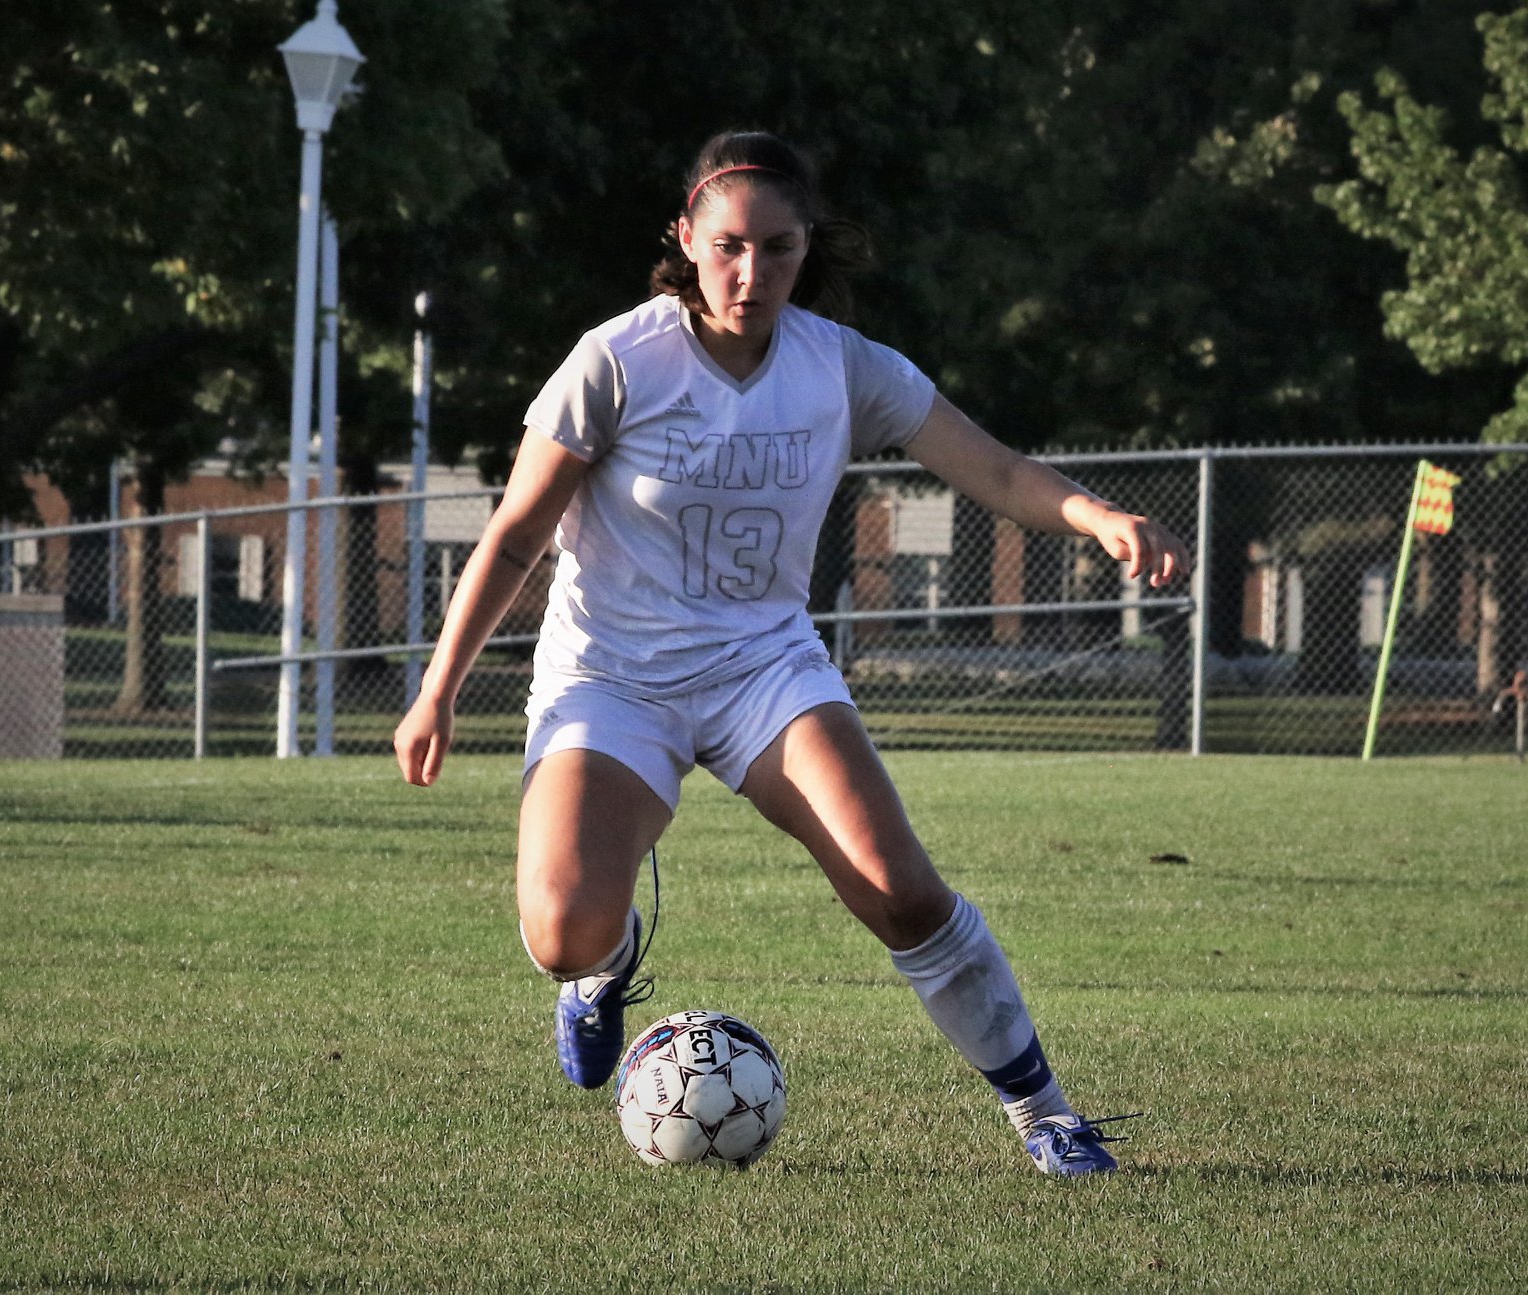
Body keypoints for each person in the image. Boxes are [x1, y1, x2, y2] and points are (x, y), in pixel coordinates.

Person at [394, 129, 1187, 1176]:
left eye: (777, 247)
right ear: (685, 237)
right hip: (610, 677)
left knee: (899, 888)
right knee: (561, 932)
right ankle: (607, 966)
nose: (749, 270)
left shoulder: (840, 365)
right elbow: (513, 533)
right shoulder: (617, 360)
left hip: (764, 669)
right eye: (727, 245)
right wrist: (437, 687)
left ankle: (1043, 1110)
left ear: (808, 247)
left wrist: (1093, 514)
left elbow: (991, 469)